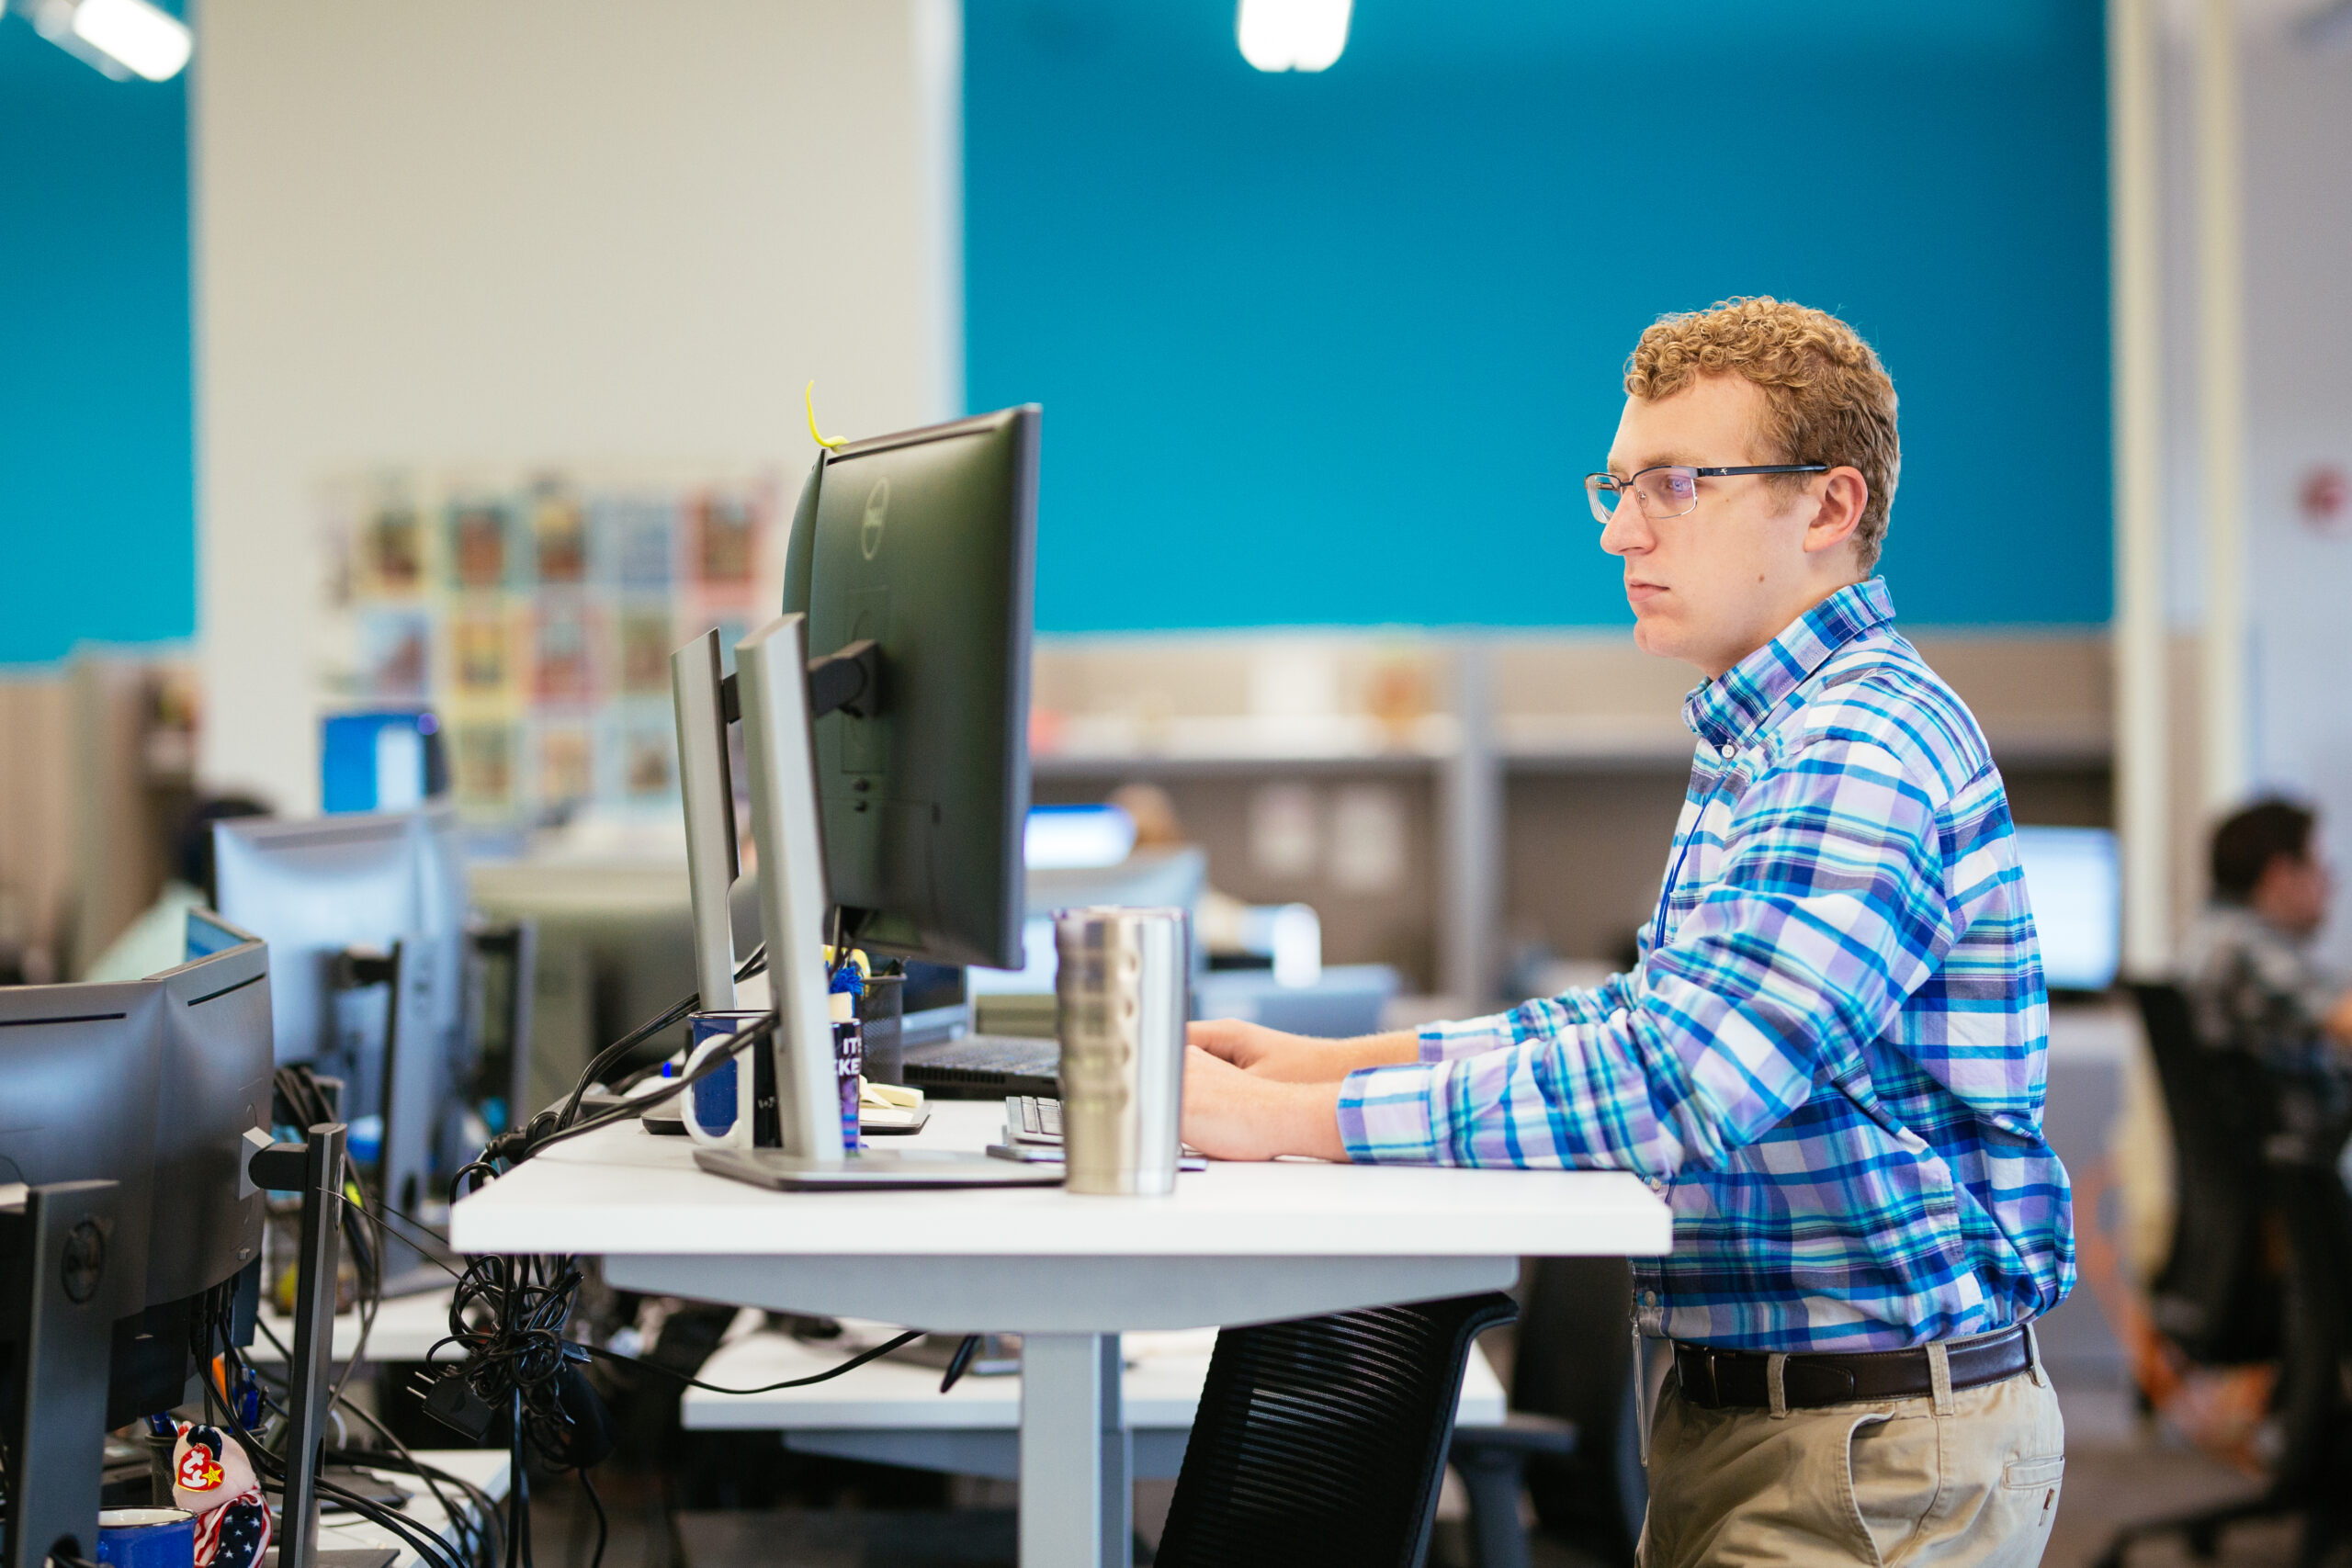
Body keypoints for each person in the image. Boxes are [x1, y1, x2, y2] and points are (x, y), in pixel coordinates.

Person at [1182, 298, 2074, 1567]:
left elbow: (1677, 1084)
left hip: (1872, 1446)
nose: (1618, 527)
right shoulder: (1767, 735)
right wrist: (1324, 1064)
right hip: (1777, 1417)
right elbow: (1634, 1019)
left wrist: (1269, 1125)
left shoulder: (1861, 746)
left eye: (1673, 483)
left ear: (1827, 507)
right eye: (1614, 485)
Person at [2183, 799, 2352, 1131]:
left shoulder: (2208, 933)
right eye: (2320, 868)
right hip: (2290, 1158)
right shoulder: (2245, 946)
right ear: (2281, 876)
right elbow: (2344, 1018)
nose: (2330, 886)